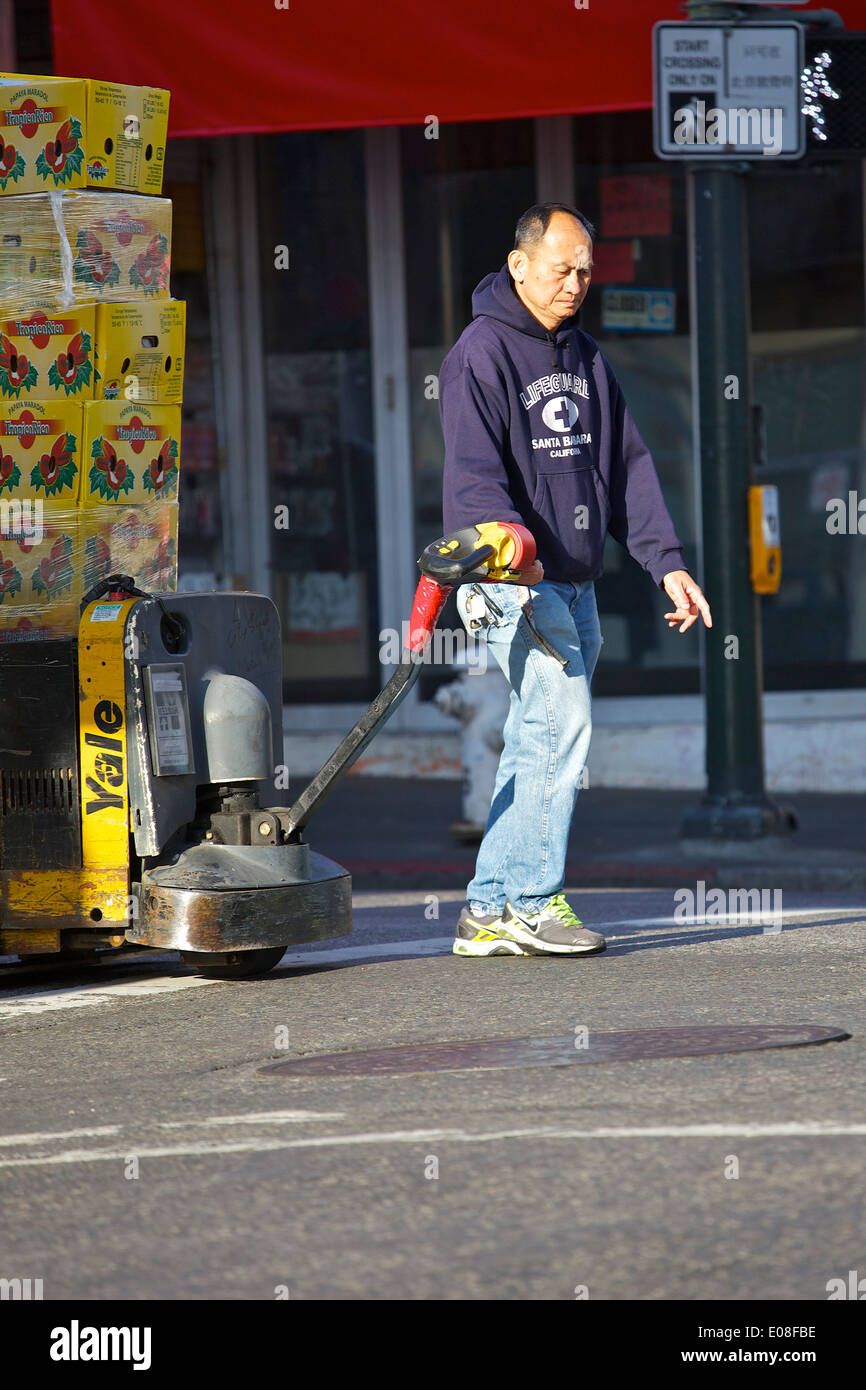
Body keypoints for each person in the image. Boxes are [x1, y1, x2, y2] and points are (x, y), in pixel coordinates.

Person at [439, 202, 712, 958]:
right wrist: (515, 555)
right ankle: (532, 900)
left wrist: (668, 563)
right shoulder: (479, 354)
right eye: (564, 267)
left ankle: (489, 907)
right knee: (563, 724)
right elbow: (472, 480)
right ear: (520, 264)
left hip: (575, 582)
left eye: (587, 270)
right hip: (511, 581)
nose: (577, 282)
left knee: (539, 738)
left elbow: (627, 467)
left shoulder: (586, 356)